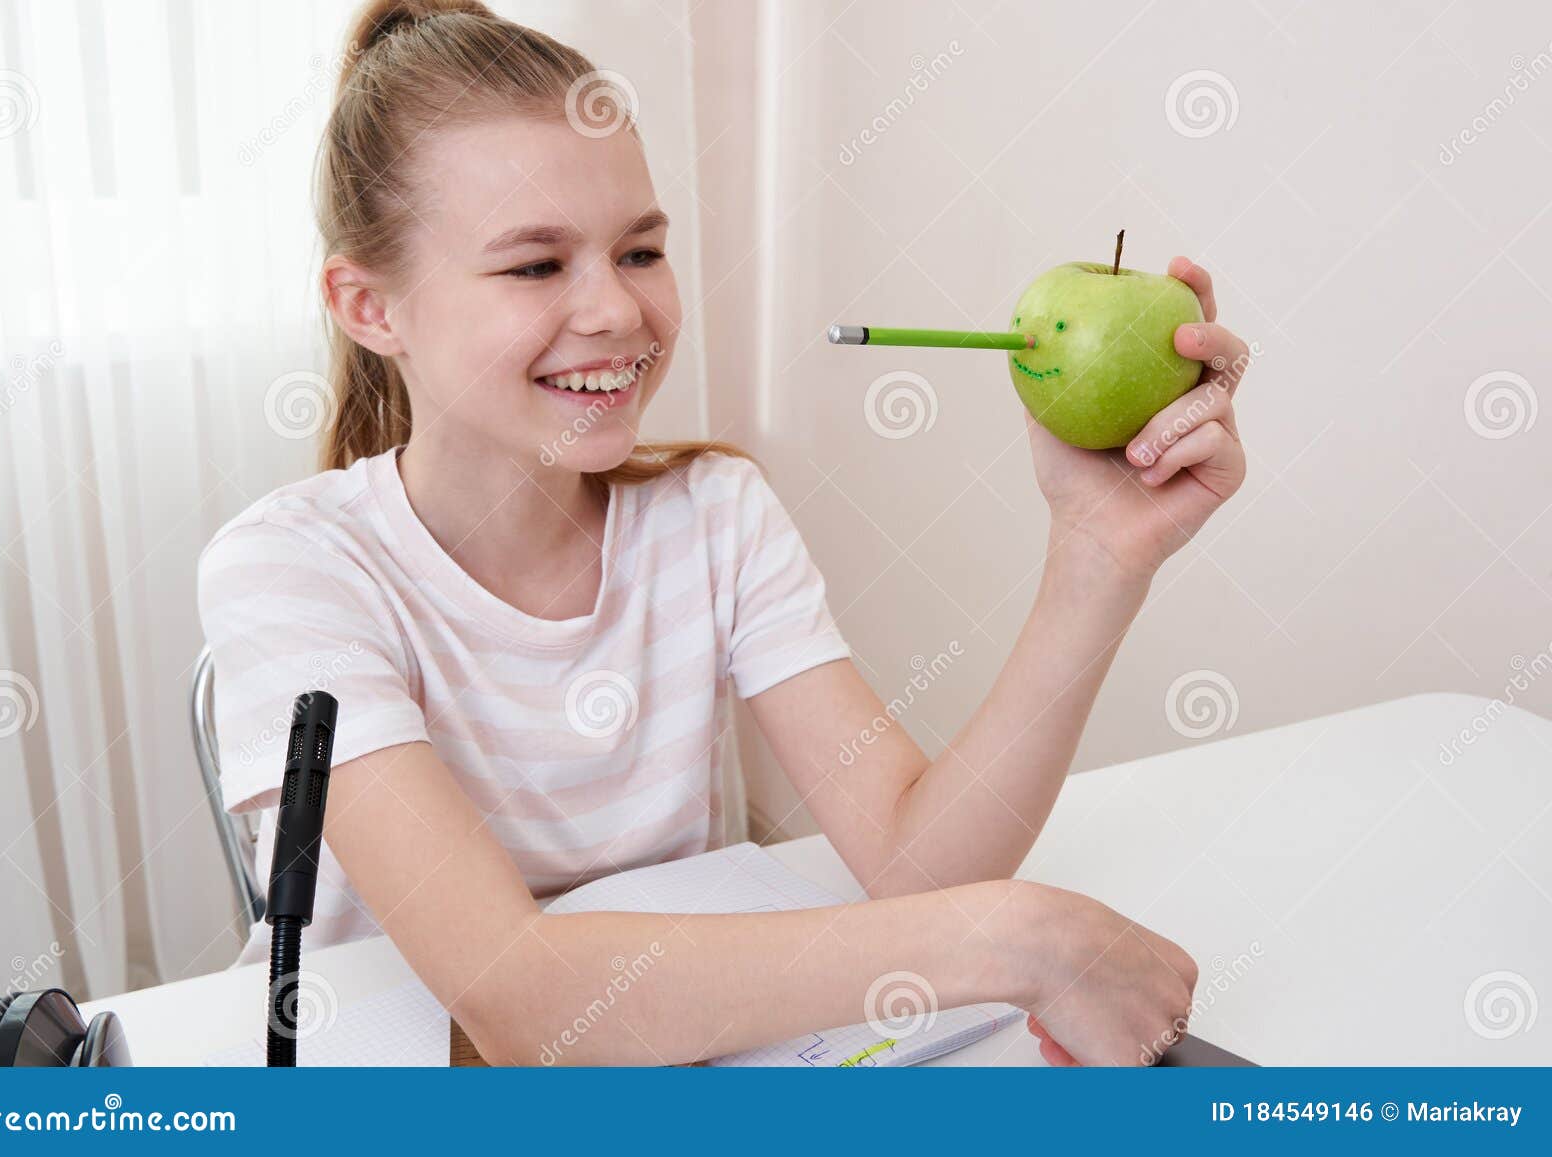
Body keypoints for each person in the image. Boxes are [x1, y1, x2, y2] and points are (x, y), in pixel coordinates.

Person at [197, 0, 1250, 1066]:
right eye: (535, 265)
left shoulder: (714, 512)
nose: (617, 310)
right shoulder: (289, 571)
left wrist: (1096, 555)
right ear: (369, 306)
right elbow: (521, 999)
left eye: (641, 250)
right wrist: (1021, 935)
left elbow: (916, 865)